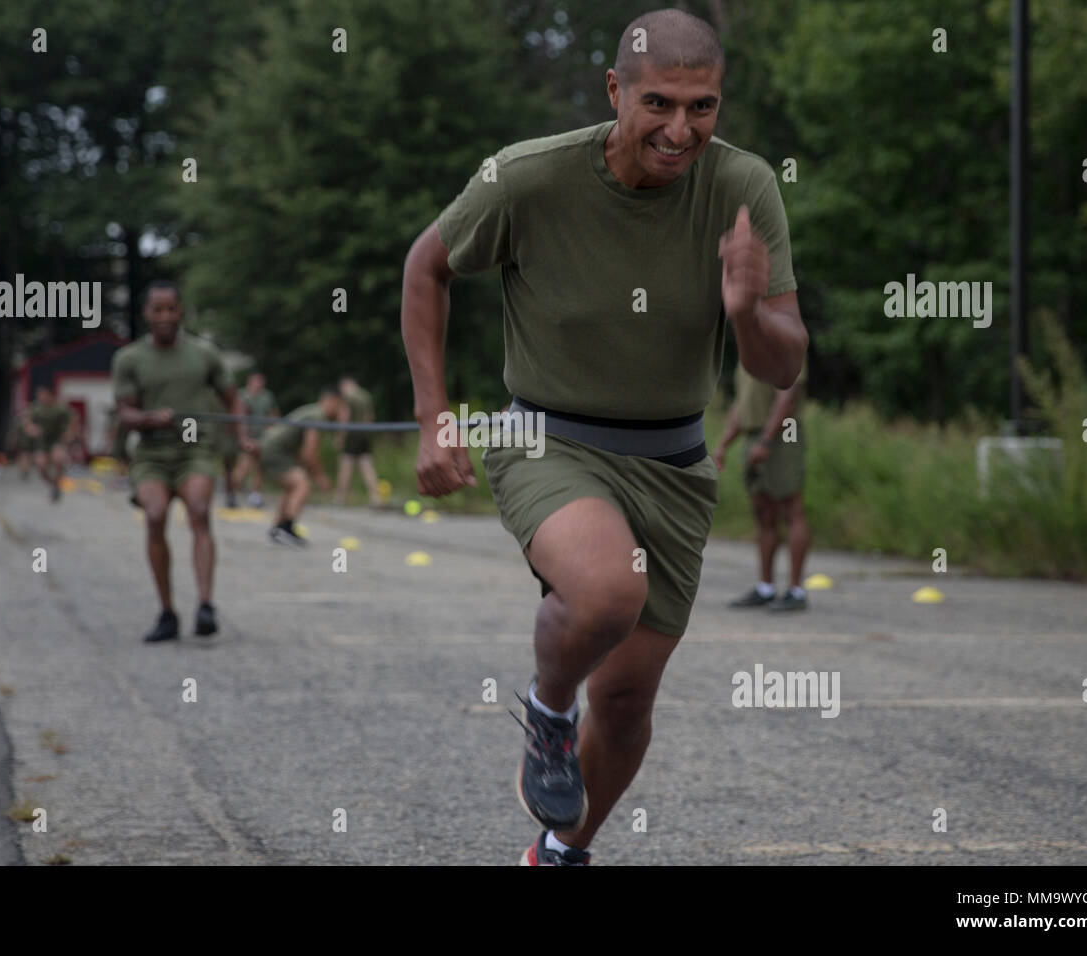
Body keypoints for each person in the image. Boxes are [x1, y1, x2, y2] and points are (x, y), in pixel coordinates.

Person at [401, 8, 807, 865]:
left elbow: (782, 364)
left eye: (703, 108)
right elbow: (425, 265)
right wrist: (435, 416)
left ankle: (559, 851)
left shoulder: (744, 188)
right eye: (659, 103)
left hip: (675, 462)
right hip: (549, 439)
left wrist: (744, 312)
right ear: (615, 89)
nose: (680, 129)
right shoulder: (527, 178)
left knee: (625, 703)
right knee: (606, 593)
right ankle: (550, 710)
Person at [111, 280, 254, 642]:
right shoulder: (129, 359)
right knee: (155, 515)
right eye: (157, 309)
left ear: (181, 311)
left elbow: (232, 398)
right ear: (146, 313)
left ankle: (205, 605)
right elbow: (124, 413)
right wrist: (148, 418)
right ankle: (167, 612)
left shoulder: (204, 354)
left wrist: (243, 438)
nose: (164, 316)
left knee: (199, 508)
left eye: (170, 309)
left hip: (196, 446)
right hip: (152, 451)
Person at [712, 360, 811, 611]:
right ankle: (765, 587)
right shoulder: (748, 354)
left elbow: (788, 395)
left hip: (783, 433)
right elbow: (742, 405)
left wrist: (767, 440)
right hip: (753, 435)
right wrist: (724, 444)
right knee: (763, 512)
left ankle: (796, 591)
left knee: (791, 509)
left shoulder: (784, 341)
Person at [259, 386, 345, 546]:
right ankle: (287, 528)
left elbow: (303, 453)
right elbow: (309, 453)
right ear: (332, 401)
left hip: (271, 448)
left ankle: (278, 529)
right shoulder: (318, 416)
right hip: (275, 451)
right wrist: (320, 476)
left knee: (292, 486)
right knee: (302, 485)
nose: (339, 411)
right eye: (339, 406)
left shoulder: (312, 411)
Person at [333, 375, 383, 507]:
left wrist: (340, 437)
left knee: (346, 465)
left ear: (347, 384)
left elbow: (345, 417)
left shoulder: (348, 398)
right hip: (365, 434)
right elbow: (370, 416)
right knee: (367, 465)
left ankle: (340, 498)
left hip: (352, 434)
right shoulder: (366, 395)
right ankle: (376, 497)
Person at [232, 372, 278, 507]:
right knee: (243, 466)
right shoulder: (242, 396)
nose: (259, 385)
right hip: (246, 436)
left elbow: (273, 414)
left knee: (259, 468)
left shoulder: (267, 396)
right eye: (256, 382)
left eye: (261, 382)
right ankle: (232, 492)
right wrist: (243, 437)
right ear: (250, 382)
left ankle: (255, 495)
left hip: (262, 437)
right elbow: (239, 417)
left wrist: (273, 429)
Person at [22, 384, 73, 503]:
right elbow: (28, 423)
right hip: (43, 441)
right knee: (40, 465)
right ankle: (53, 485)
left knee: (58, 459)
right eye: (39, 395)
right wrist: (33, 429)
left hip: (56, 439)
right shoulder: (36, 409)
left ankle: (57, 482)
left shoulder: (59, 408)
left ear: (49, 395)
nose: (41, 398)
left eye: (43, 395)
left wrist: (69, 433)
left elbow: (71, 419)